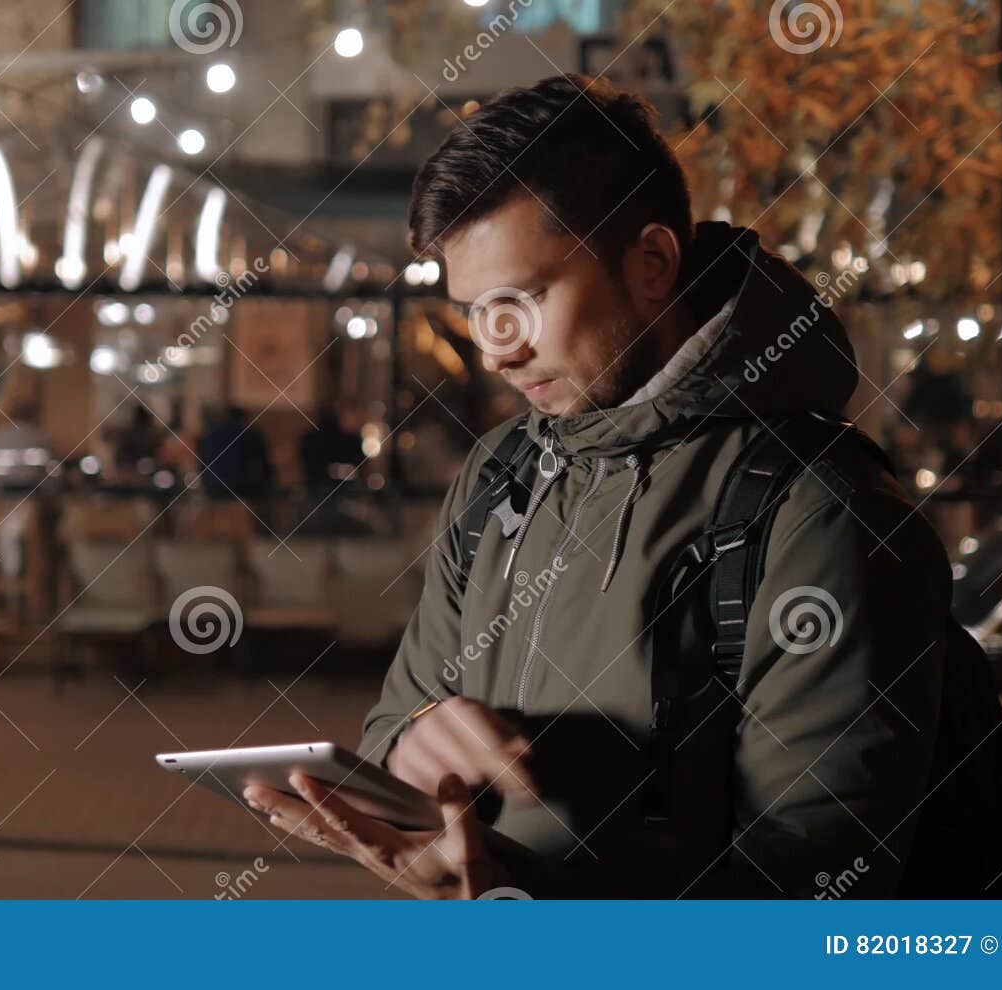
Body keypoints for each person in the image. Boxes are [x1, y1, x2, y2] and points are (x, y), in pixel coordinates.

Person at [245, 75, 956, 898]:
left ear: (651, 262)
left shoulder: (822, 512)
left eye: (524, 298)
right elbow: (400, 718)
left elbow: (813, 900)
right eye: (475, 311)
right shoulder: (500, 473)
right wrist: (412, 752)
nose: (496, 351)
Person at [197, 405, 273, 498]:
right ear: (244, 417)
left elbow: (202, 463)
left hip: (213, 487)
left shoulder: (210, 434)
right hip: (242, 487)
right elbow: (264, 464)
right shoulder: (251, 433)